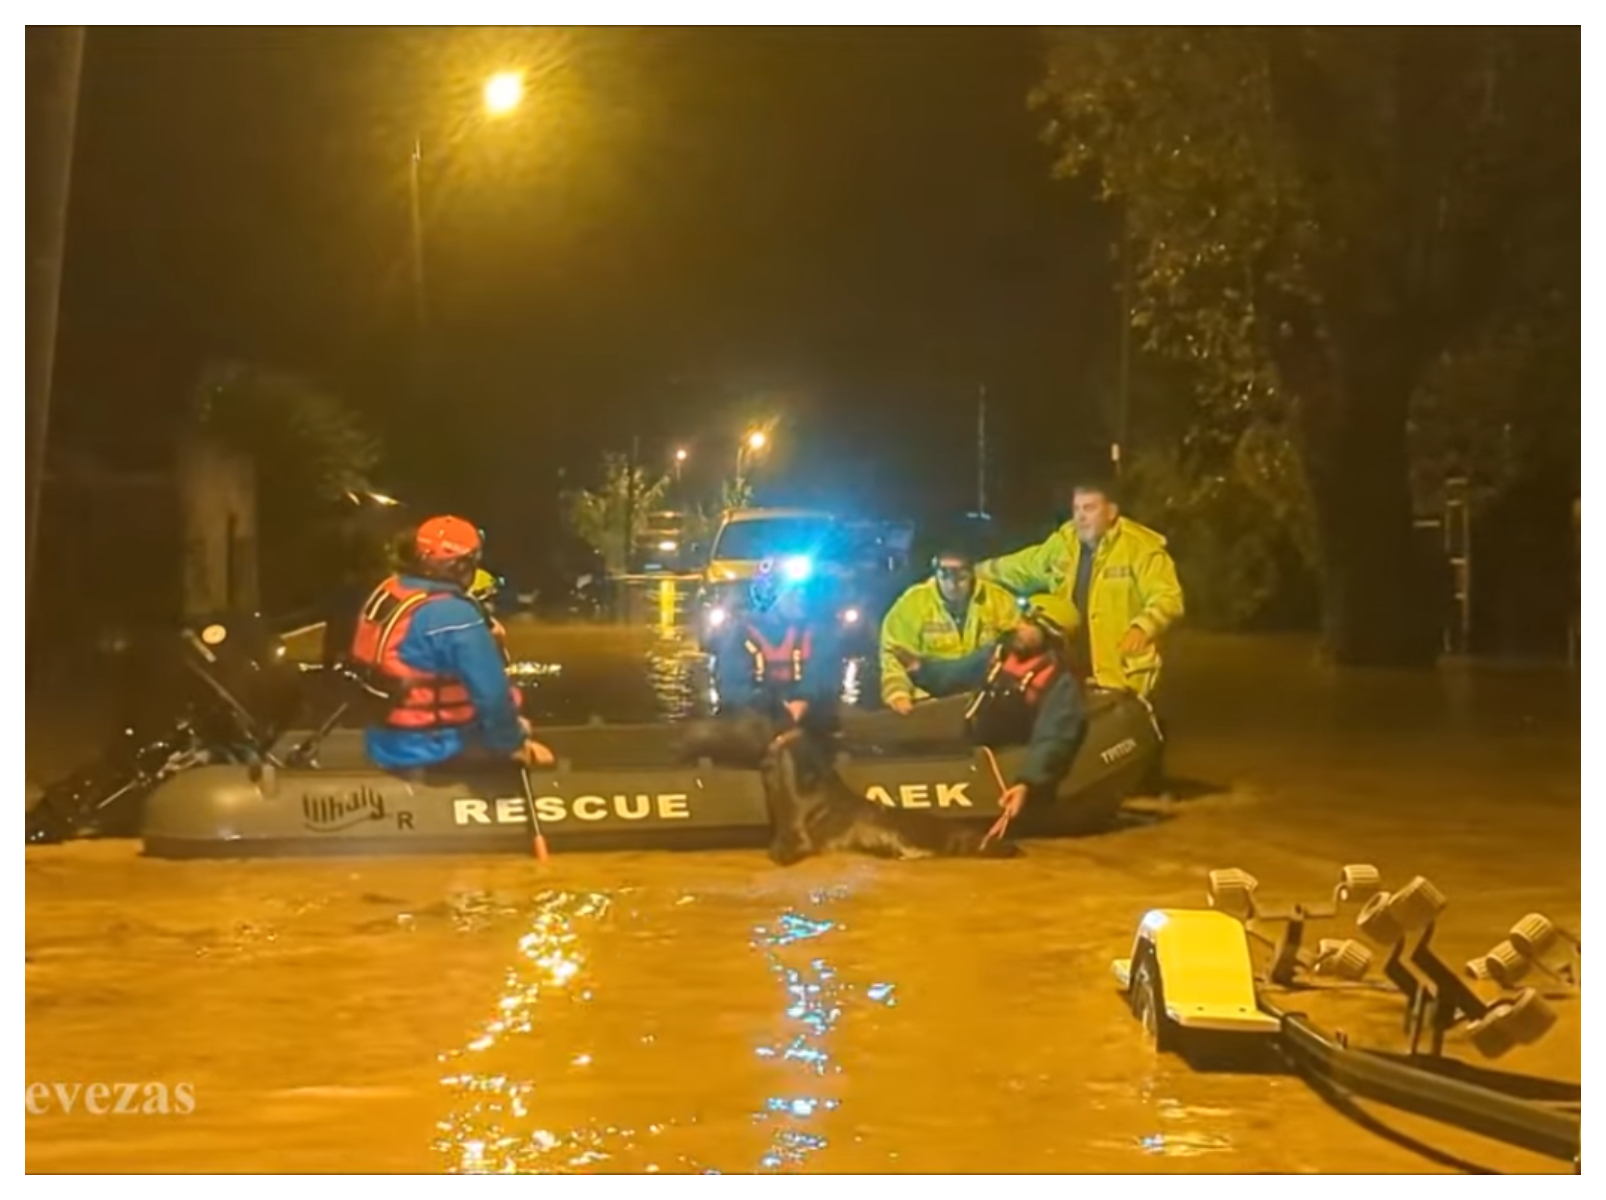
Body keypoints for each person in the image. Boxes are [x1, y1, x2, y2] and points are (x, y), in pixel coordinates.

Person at [349, 515, 552, 772]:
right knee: (530, 740)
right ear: (462, 565)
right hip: (434, 746)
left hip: (383, 740)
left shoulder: (390, 591)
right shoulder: (454, 614)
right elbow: (492, 697)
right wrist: (513, 744)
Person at [976, 475, 1183, 699]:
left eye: (1089, 508)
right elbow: (1023, 567)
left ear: (1111, 512)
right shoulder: (1064, 544)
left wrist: (1142, 627)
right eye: (1076, 509)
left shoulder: (1140, 547)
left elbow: (1168, 598)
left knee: (1123, 721)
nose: (1081, 517)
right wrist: (976, 570)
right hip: (1071, 674)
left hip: (1122, 675)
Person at [962, 594, 1088, 822]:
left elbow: (1053, 737)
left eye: (1029, 622)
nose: (1019, 625)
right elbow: (956, 671)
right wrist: (919, 668)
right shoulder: (1002, 654)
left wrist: (1026, 783)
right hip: (975, 747)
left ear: (1050, 634)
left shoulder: (1061, 683)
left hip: (1007, 758)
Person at [710, 558, 846, 731]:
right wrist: (772, 706)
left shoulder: (817, 631)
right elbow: (730, 686)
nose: (801, 596)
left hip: (807, 717)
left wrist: (803, 700)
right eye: (792, 591)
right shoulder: (740, 634)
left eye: (803, 590)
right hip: (756, 718)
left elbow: (826, 676)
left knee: (826, 719)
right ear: (769, 595)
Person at [878, 549, 1021, 713]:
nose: (953, 584)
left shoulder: (998, 600)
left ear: (972, 572)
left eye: (961, 576)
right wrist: (898, 693)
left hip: (982, 699)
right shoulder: (912, 604)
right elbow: (894, 656)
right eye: (945, 574)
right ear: (935, 572)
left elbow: (1016, 648)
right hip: (929, 701)